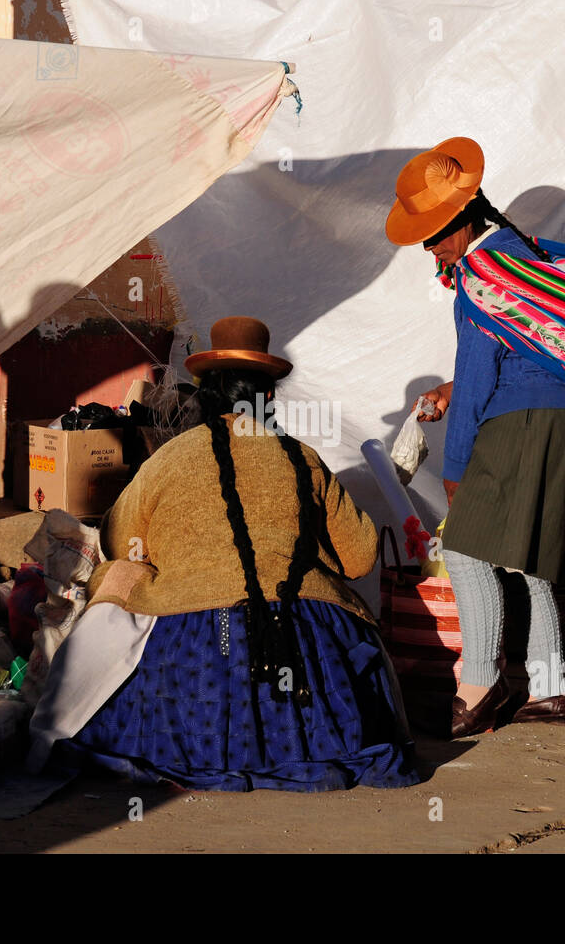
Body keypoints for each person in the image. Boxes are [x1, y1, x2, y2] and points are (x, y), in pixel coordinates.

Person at [32, 316, 420, 791]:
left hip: (196, 641)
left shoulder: (168, 459)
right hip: (304, 635)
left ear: (206, 394)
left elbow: (119, 542)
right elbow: (360, 557)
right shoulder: (304, 459)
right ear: (269, 396)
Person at [386, 137, 565, 737]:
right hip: (563, 417)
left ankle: (478, 687)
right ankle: (549, 690)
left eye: (433, 236)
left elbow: (479, 378)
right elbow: (525, 350)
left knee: (465, 548)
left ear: (461, 220)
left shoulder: (480, 272)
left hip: (517, 422)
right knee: (533, 554)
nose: (430, 249)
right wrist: (451, 388)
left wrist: (455, 465)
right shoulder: (522, 255)